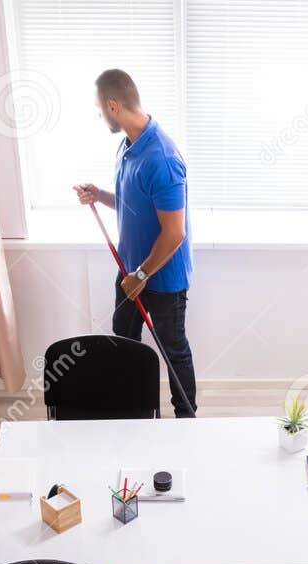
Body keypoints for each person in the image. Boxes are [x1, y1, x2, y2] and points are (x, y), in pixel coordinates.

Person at [73, 69, 197, 417]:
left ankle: (187, 420)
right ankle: (134, 413)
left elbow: (174, 233)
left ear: (113, 105)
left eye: (100, 109)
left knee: (173, 349)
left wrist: (141, 276)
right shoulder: (127, 147)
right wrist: (99, 195)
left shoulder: (162, 158)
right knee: (124, 343)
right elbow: (133, 201)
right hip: (130, 270)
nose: (99, 115)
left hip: (160, 277)